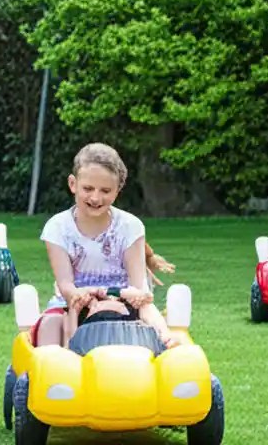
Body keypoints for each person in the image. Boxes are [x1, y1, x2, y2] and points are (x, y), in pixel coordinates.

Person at [34, 143, 175, 348]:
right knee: (51, 323)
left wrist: (130, 295)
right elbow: (65, 284)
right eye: (88, 188)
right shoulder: (57, 228)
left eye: (105, 190)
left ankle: (165, 344)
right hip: (75, 300)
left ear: (117, 191)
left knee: (147, 311)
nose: (95, 197)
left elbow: (138, 286)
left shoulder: (130, 226)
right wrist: (80, 296)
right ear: (73, 184)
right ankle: (52, 367)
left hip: (125, 298)